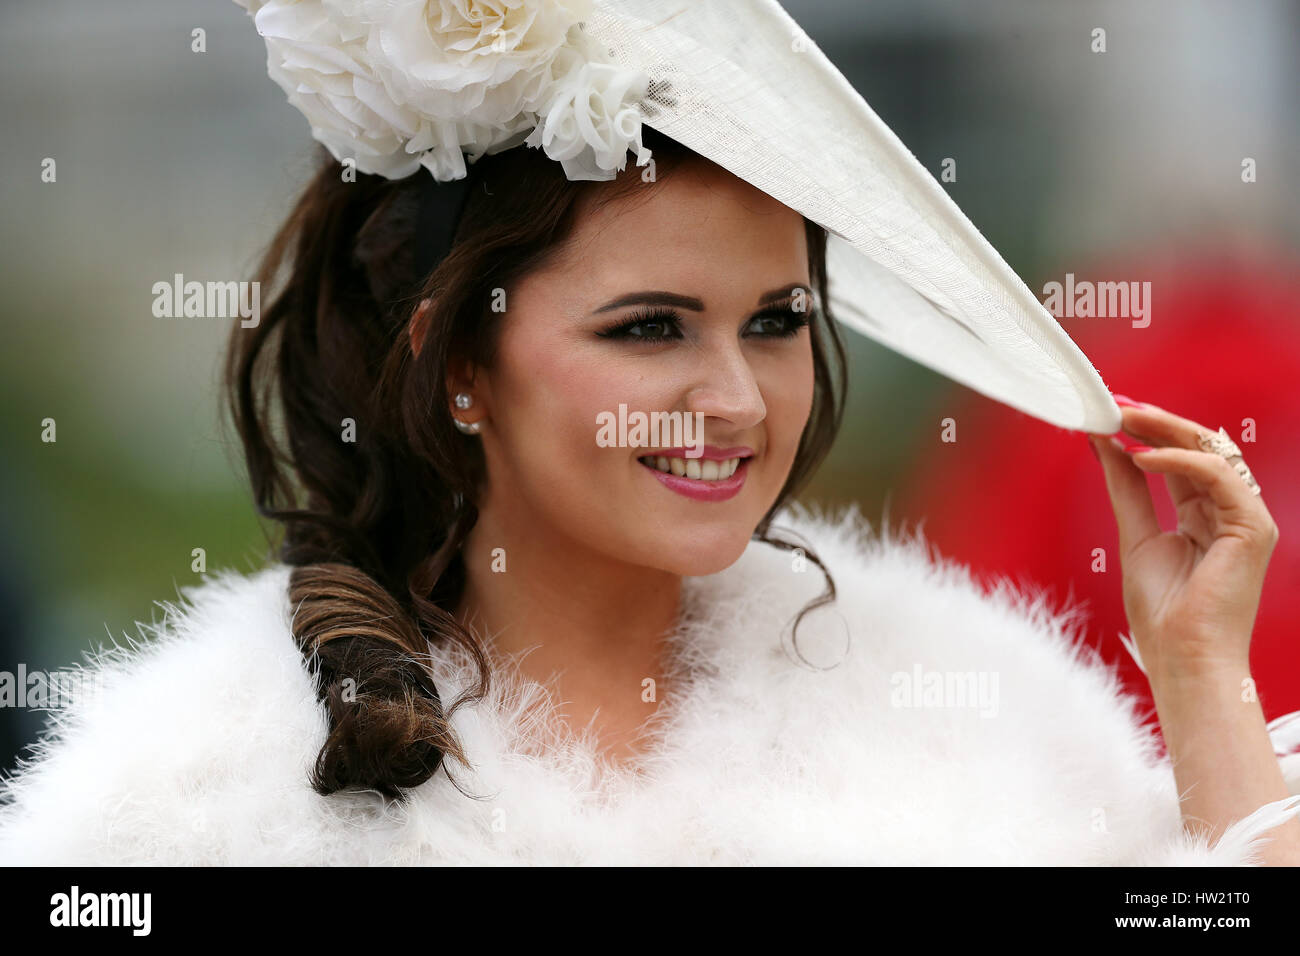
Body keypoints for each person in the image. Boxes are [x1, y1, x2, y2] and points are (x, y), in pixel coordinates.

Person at [0, 0, 1295, 865]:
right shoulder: (183, 799)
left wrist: (1202, 685)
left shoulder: (984, 718)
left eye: (778, 321)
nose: (736, 398)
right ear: (459, 365)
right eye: (650, 329)